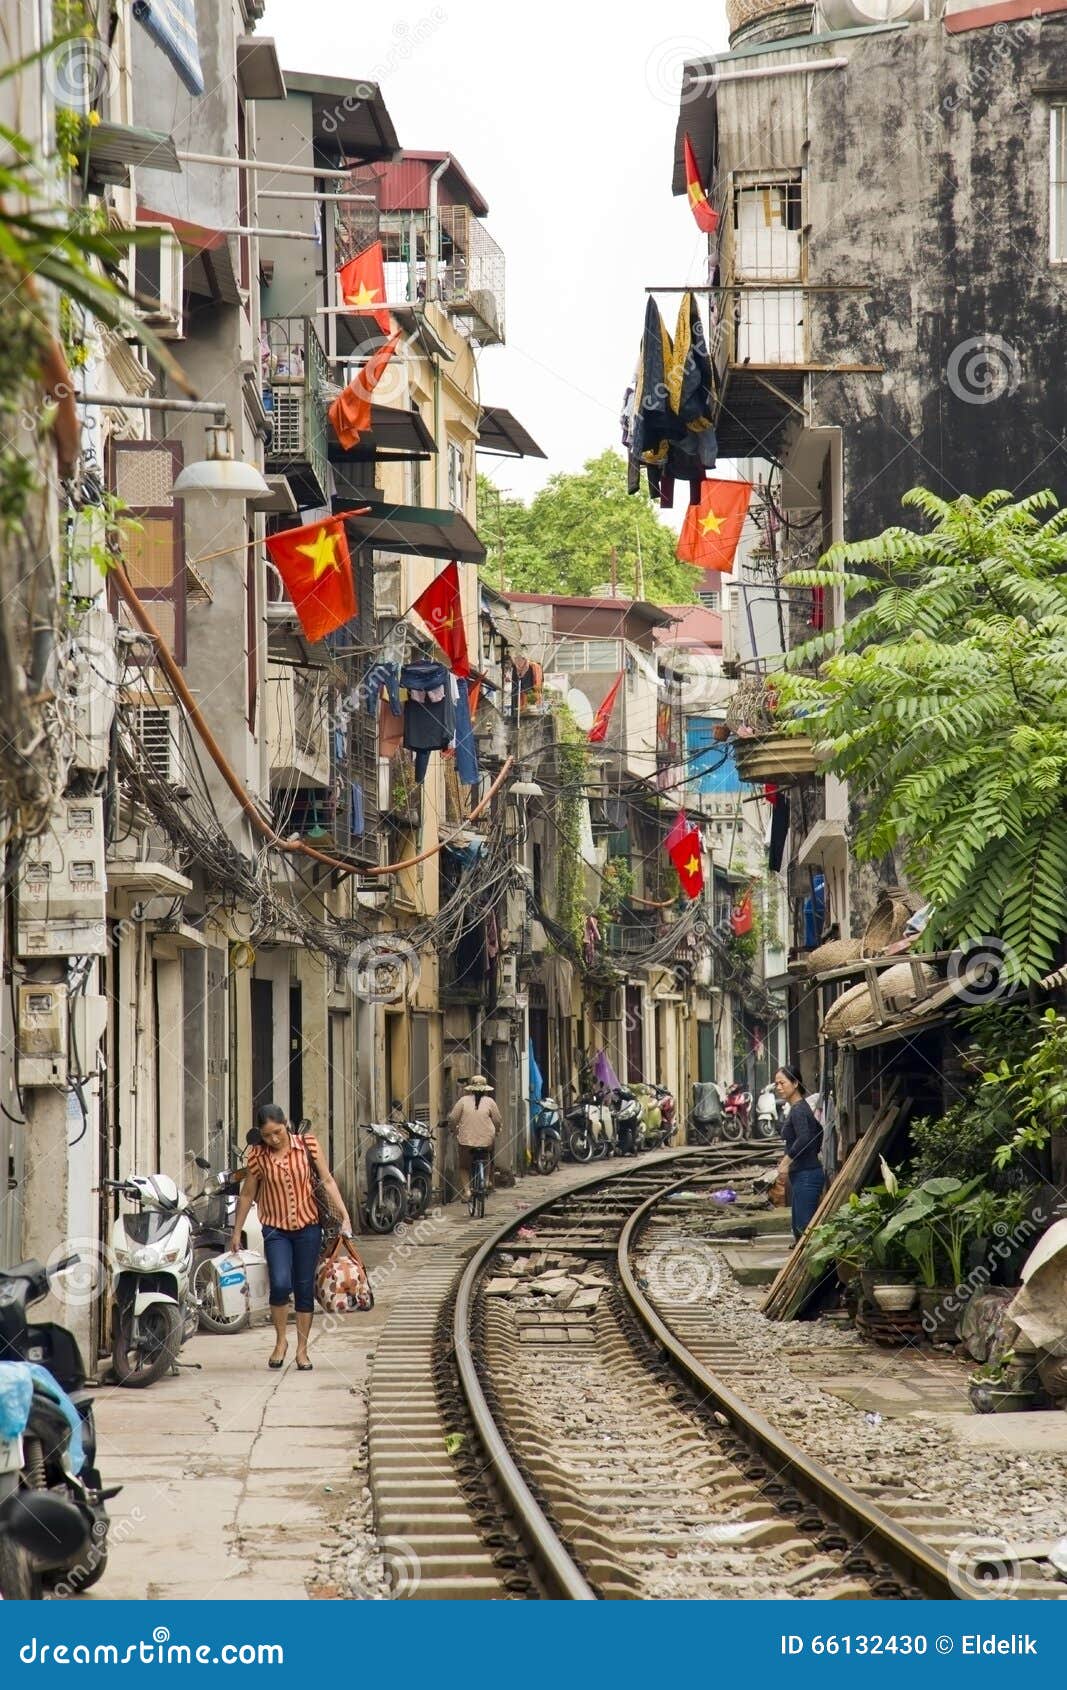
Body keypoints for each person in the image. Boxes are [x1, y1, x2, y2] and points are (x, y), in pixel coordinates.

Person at [230, 1103, 352, 1371]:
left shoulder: (308, 1145)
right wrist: (236, 1230)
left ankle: (302, 1350)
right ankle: (280, 1341)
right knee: (281, 1283)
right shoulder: (258, 1158)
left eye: (277, 1132)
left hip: (309, 1228)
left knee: (304, 1287)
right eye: (267, 1136)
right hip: (275, 1231)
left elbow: (327, 1180)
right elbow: (248, 1194)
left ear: (286, 1124)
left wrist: (344, 1214)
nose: (273, 1139)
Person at [774, 1064, 825, 1243]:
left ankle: (821, 1270)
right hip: (803, 1173)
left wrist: (787, 1160)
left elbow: (805, 1138)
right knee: (799, 1230)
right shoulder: (800, 1107)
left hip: (807, 1175)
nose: (779, 1087)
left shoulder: (798, 1110)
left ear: (795, 1083)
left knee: (804, 1231)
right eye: (776, 1084)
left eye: (782, 1083)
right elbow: (819, 1131)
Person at [447, 1075, 501, 1198]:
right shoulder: (490, 1102)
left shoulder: (463, 1101)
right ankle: (486, 1180)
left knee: (464, 1166)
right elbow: (497, 1120)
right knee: (487, 1156)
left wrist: (453, 1130)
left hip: (466, 1140)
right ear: (485, 1089)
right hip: (486, 1140)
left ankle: (467, 1191)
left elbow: (453, 1118)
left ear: (471, 1089)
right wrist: (497, 1131)